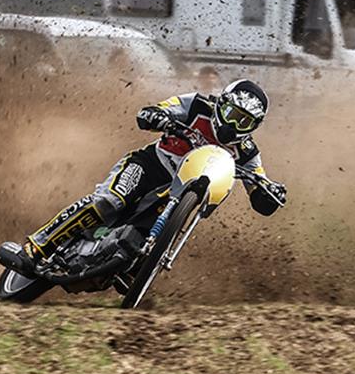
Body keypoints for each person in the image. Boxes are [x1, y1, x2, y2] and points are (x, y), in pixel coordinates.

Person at [21, 79, 287, 263]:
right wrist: (159, 118)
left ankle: (133, 266)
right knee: (109, 201)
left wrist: (270, 192)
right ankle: (40, 243)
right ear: (222, 103)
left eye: (243, 121)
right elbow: (149, 112)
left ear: (255, 125)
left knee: (146, 245)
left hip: (182, 195)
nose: (233, 125)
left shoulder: (248, 152)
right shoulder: (196, 105)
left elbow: (259, 191)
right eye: (231, 113)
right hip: (150, 165)